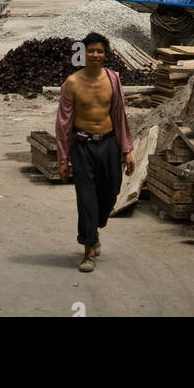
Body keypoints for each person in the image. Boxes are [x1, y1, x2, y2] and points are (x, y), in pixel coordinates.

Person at [56, 32, 135, 273]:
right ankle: (88, 248)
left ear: (105, 55)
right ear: (83, 53)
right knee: (86, 199)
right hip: (83, 147)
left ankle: (96, 225)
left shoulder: (113, 79)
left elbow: (120, 115)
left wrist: (127, 150)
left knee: (111, 192)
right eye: (91, 51)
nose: (95, 55)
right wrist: (63, 159)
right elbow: (63, 124)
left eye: (100, 51)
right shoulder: (72, 83)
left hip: (109, 144)